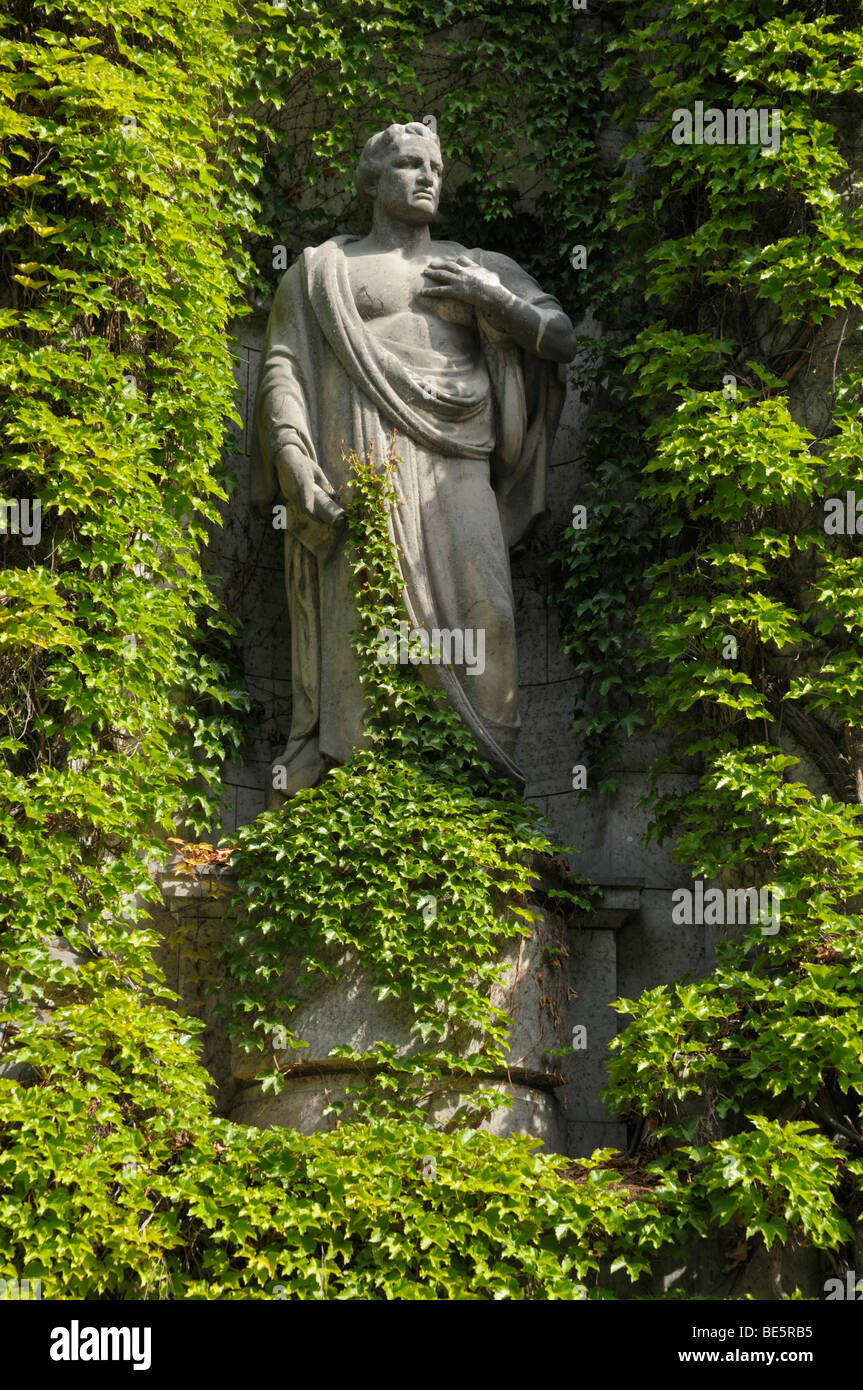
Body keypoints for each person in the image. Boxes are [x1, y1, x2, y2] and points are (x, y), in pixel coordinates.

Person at [252, 121, 576, 803]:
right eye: (407, 164)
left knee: (486, 611)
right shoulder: (321, 273)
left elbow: (559, 339)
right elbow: (283, 367)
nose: (427, 176)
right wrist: (291, 454)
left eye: (434, 165)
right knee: (364, 617)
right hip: (359, 465)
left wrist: (493, 298)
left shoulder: (474, 263)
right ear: (371, 181)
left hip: (458, 465)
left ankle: (482, 791)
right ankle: (363, 790)